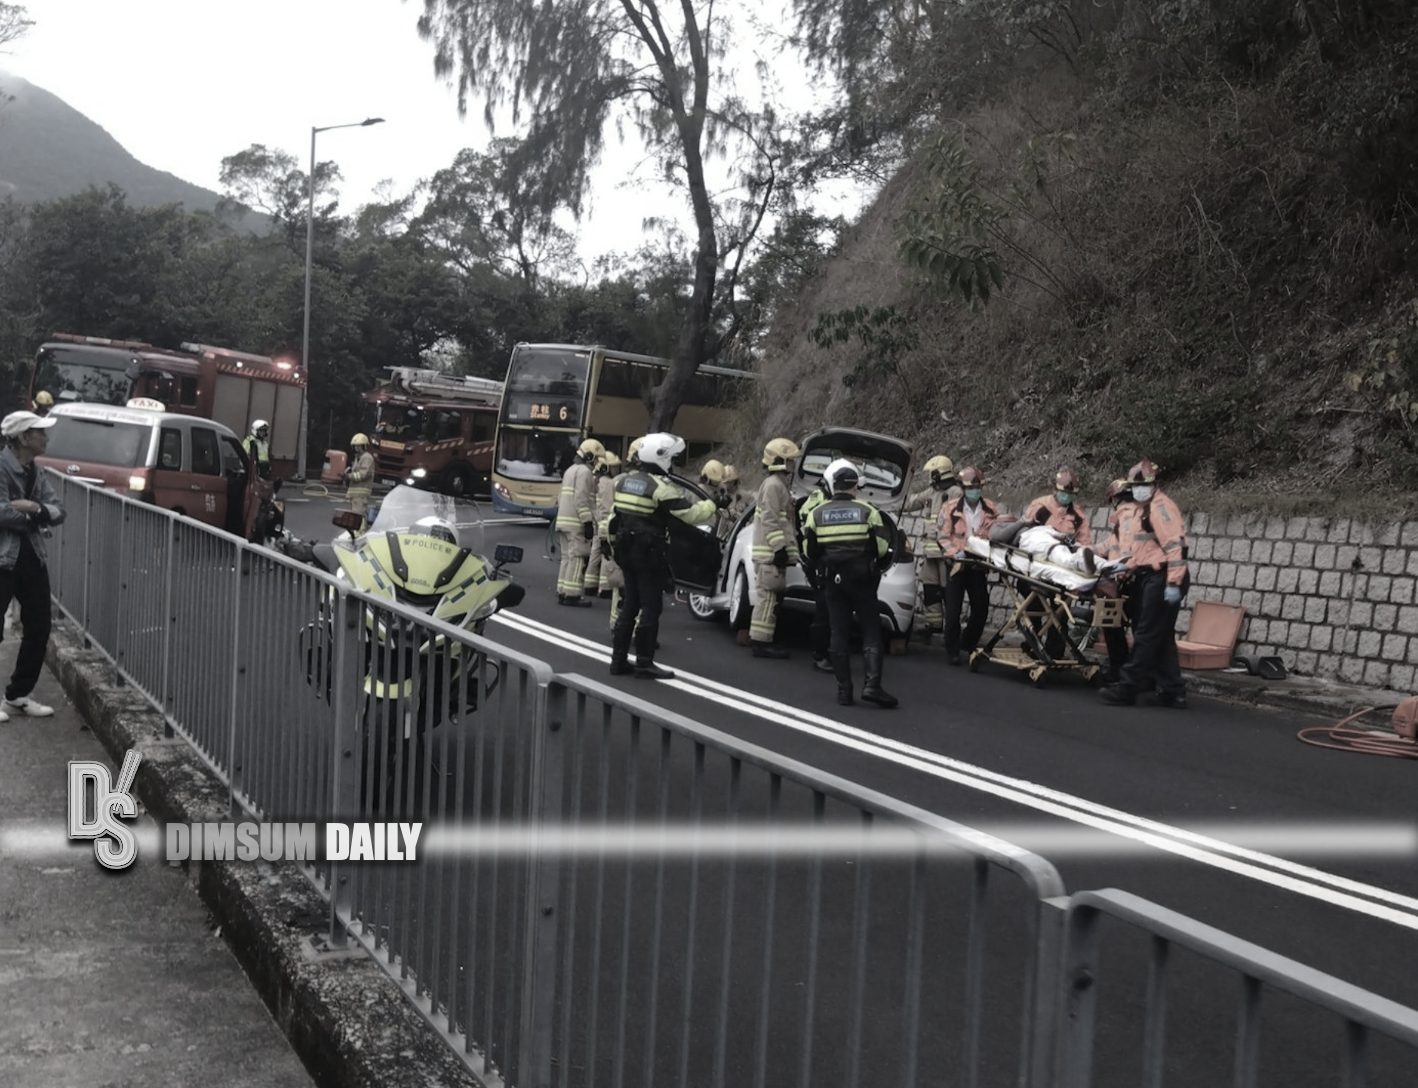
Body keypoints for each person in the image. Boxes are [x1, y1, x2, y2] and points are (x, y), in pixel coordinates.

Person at [606, 432, 724, 679]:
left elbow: (614, 518)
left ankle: (617, 661)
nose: (672, 463)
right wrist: (714, 504)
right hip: (648, 554)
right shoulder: (661, 489)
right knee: (651, 606)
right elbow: (691, 515)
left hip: (626, 551)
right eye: (671, 458)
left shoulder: (624, 482)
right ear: (660, 458)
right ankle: (644, 662)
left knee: (630, 605)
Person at [802, 459, 897, 708]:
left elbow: (810, 552)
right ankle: (872, 686)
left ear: (833, 486)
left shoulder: (815, 514)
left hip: (833, 581)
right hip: (862, 579)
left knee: (838, 632)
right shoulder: (868, 511)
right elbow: (882, 547)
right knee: (871, 631)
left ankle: (844, 691)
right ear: (855, 486)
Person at [1100, 459, 1190, 709]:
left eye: (1144, 485)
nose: (1139, 490)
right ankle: (1173, 690)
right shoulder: (1144, 508)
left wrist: (1173, 583)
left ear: (1154, 484)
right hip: (1151, 575)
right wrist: (1123, 567)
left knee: (1147, 634)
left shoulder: (1161, 508)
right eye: (1135, 486)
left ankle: (1128, 686)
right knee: (1161, 636)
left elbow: (1175, 546)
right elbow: (1142, 549)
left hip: (1163, 576)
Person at [0, 411, 65, 719]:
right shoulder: (2, 466)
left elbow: (59, 511)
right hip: (3, 558)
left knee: (39, 625)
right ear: (23, 437)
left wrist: (32, 507)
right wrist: (35, 516)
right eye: (39, 432)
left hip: (32, 557)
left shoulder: (36, 472)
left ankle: (18, 694)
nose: (46, 438)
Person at [938, 466, 999, 666]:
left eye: (978, 487)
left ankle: (969, 642)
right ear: (963, 489)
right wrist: (955, 553)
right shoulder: (950, 508)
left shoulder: (990, 508)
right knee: (953, 611)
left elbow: (997, 534)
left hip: (978, 564)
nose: (975, 491)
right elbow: (943, 537)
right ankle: (952, 650)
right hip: (957, 564)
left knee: (981, 608)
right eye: (971, 487)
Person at [749, 437, 801, 658]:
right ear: (779, 460)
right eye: (789, 461)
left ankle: (766, 639)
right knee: (768, 598)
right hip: (770, 554)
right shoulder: (773, 486)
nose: (792, 465)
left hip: (772, 553)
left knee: (772, 599)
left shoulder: (778, 485)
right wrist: (779, 548)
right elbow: (771, 519)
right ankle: (761, 643)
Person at [902, 454, 956, 641]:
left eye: (932, 473)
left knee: (948, 591)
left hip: (947, 553)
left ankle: (951, 630)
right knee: (930, 589)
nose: (930, 477)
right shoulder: (932, 492)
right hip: (932, 553)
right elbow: (911, 502)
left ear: (939, 473)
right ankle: (934, 626)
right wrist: (896, 499)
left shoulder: (956, 492)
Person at [554, 437, 605, 606]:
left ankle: (562, 591)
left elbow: (562, 497)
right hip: (576, 523)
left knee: (566, 558)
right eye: (596, 458)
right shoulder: (584, 472)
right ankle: (572, 595)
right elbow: (581, 499)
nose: (597, 462)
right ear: (590, 456)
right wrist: (588, 522)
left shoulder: (570, 470)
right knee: (577, 558)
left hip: (563, 520)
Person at [798, 471, 836, 673]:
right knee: (824, 608)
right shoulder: (816, 499)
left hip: (834, 560)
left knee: (833, 609)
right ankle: (820, 654)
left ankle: (831, 651)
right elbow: (806, 518)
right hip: (818, 559)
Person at [582, 451, 620, 599]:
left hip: (596, 522)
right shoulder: (608, 483)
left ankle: (590, 585)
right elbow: (607, 508)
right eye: (614, 467)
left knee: (595, 554)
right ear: (606, 467)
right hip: (604, 523)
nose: (616, 470)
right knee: (607, 555)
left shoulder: (594, 480)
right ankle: (605, 588)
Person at [1024, 468, 1093, 545]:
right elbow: (1025, 531)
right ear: (1055, 490)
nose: (1066, 497)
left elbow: (1085, 543)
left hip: (1063, 552)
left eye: (1070, 494)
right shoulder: (1039, 506)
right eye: (1064, 493)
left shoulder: (1078, 517)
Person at [343, 433, 375, 530]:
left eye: (359, 446)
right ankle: (357, 533)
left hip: (361, 494)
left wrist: (349, 476)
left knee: (359, 516)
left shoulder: (367, 457)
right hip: (355, 494)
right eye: (355, 446)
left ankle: (360, 534)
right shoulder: (358, 457)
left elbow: (363, 474)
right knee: (356, 516)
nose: (357, 448)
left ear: (364, 446)